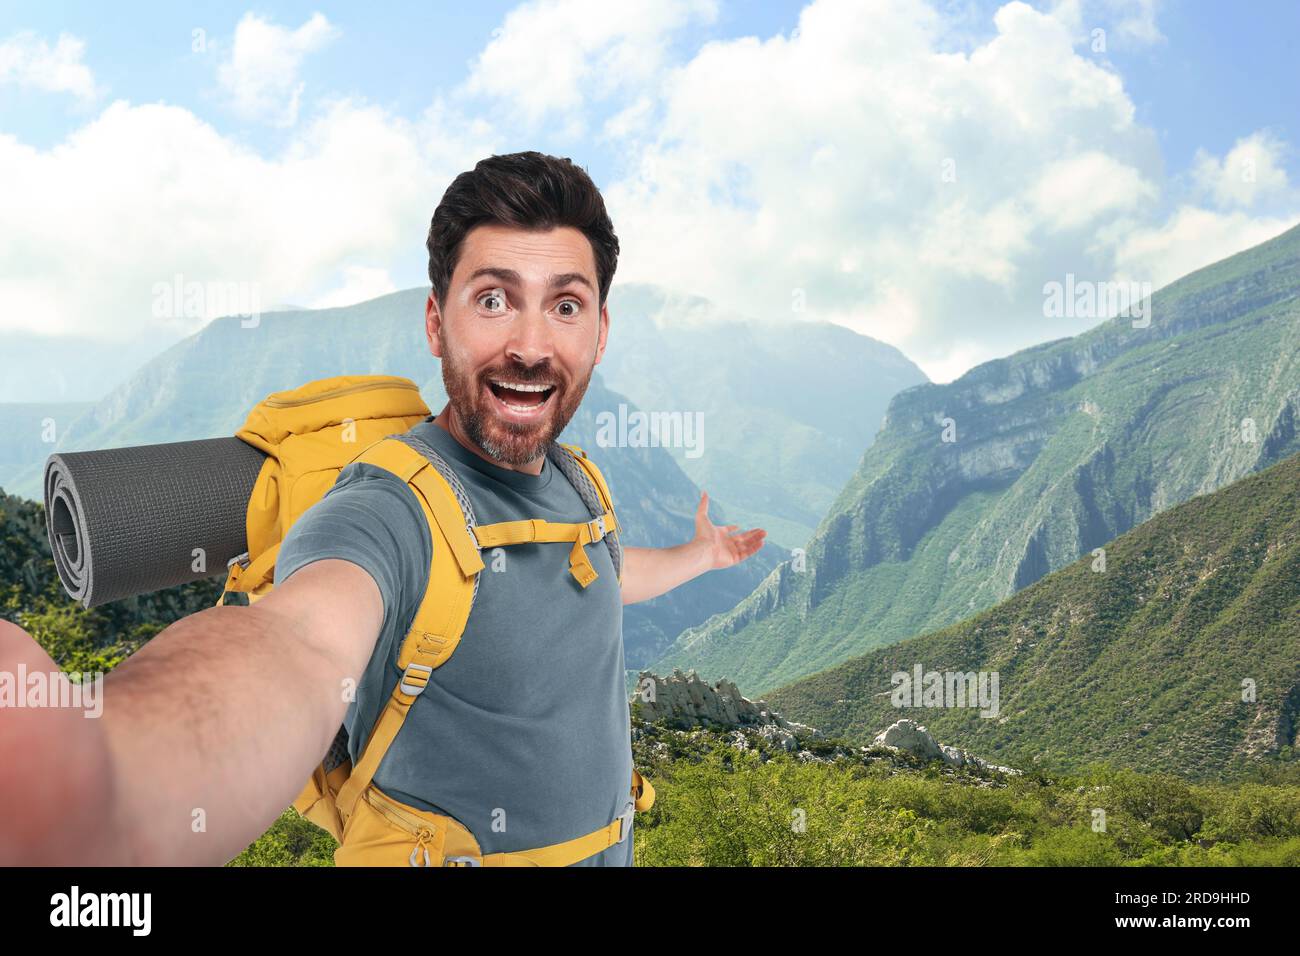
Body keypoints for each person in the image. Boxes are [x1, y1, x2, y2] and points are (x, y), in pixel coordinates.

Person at [0, 151, 766, 866]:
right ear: (438, 325)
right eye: (493, 299)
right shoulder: (389, 509)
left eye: (565, 306)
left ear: (600, 333)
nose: (531, 345)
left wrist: (704, 555)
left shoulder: (580, 484)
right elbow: (296, 644)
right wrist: (106, 775)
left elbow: (602, 575)